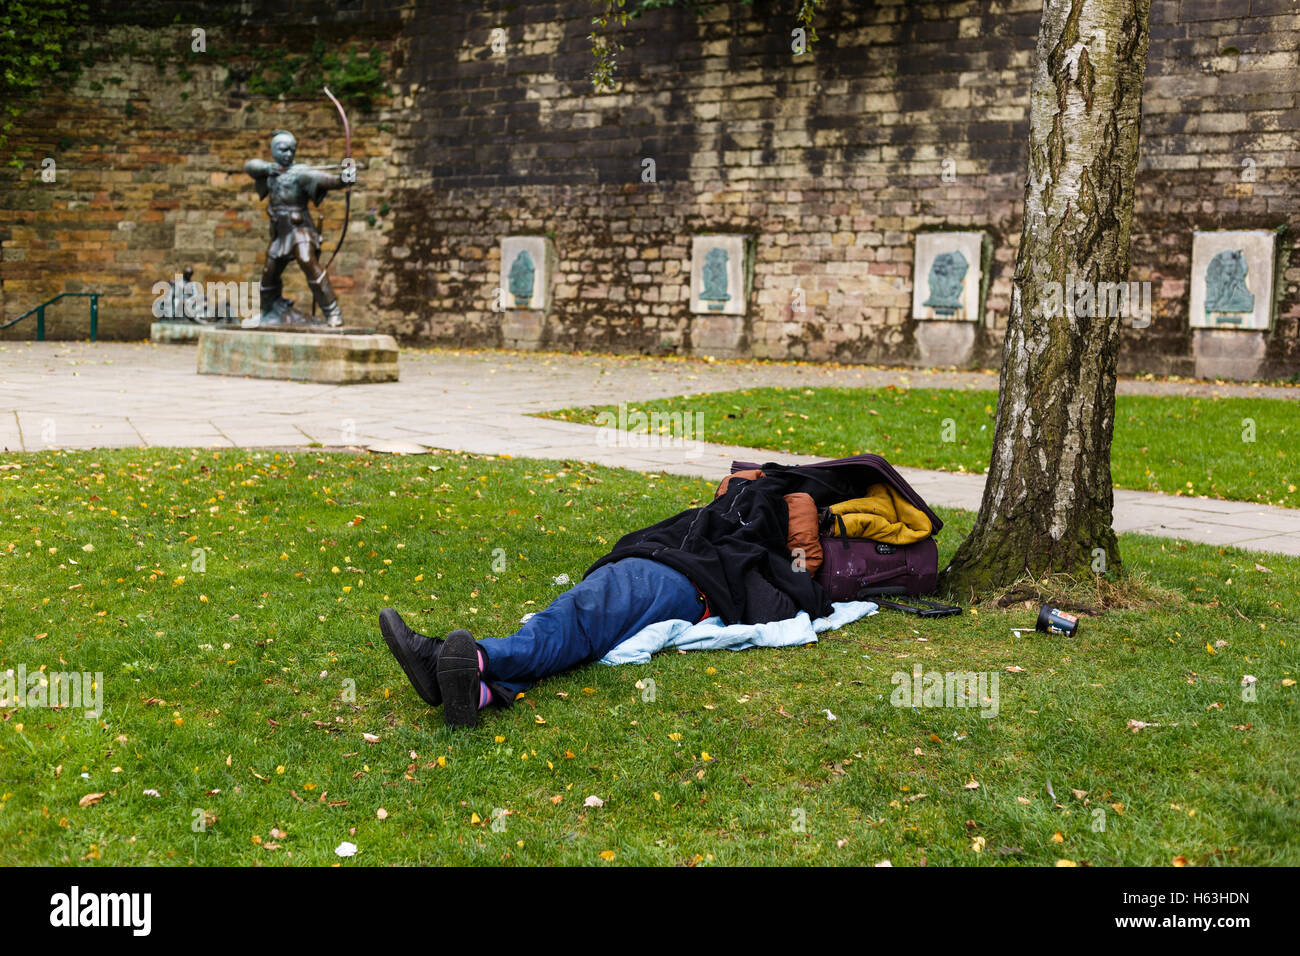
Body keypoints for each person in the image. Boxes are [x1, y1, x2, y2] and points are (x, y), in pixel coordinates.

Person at [379, 464, 842, 728]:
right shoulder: (725, 525)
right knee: (576, 633)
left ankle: (456, 657)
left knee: (578, 617)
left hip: (665, 580)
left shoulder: (753, 543)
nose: (735, 489)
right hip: (661, 577)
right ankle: (474, 693)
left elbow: (783, 599)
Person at [243, 130, 350, 326]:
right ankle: (268, 312)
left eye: (292, 150)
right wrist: (268, 168)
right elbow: (250, 166)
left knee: (308, 262)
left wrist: (345, 177)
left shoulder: (301, 173)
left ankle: (333, 313)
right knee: (269, 273)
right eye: (283, 150)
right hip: (280, 233)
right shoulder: (269, 172)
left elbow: (331, 180)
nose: (288, 154)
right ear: (274, 151)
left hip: (300, 229)